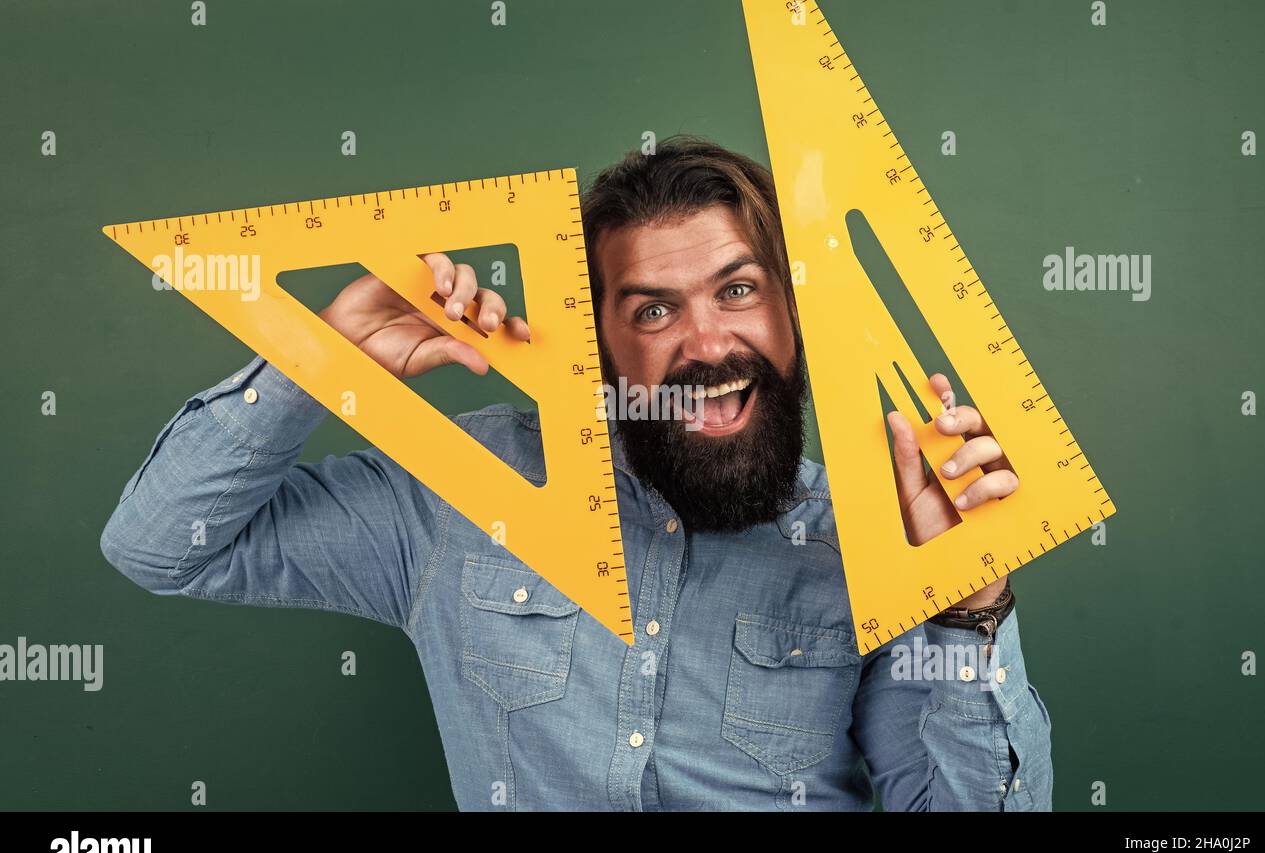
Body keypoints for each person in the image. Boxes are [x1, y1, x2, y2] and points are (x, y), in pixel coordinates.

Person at [100, 135, 1052, 811]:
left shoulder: (877, 541)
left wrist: (970, 610)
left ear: (795, 316)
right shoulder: (458, 488)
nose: (706, 343)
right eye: (651, 312)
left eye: (738, 289)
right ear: (598, 341)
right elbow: (159, 546)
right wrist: (316, 360)